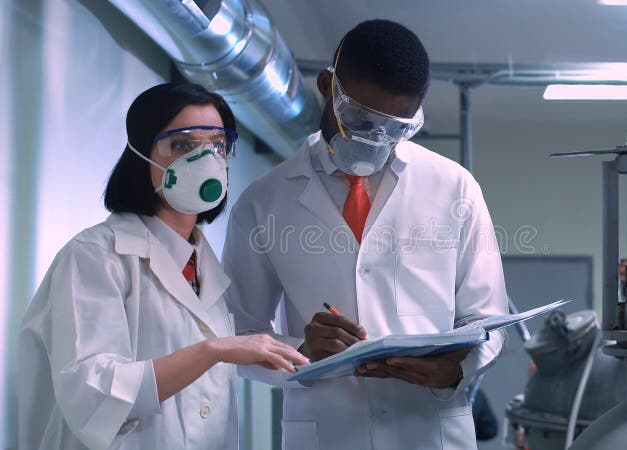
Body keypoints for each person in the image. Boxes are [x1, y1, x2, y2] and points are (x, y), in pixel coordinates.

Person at [223, 20, 508, 450]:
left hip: (430, 429)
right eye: (360, 118)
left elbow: (488, 318)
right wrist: (301, 349)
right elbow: (238, 335)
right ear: (327, 86)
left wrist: (458, 368)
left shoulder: (454, 187)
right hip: (329, 432)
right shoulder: (263, 202)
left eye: (395, 128)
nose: (375, 139)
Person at [18, 82, 308, 450]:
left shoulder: (205, 268)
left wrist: (312, 352)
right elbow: (93, 391)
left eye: (218, 145)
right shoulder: (96, 255)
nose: (206, 160)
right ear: (141, 155)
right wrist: (213, 350)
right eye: (182, 145)